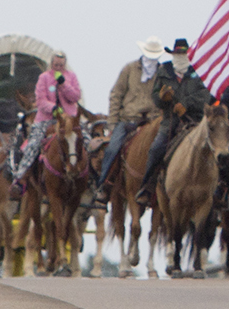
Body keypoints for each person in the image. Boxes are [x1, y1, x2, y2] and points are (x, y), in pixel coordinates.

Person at [139, 39, 211, 206]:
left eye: (183, 53)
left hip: (196, 121)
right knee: (156, 148)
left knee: (217, 147)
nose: (180, 56)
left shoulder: (198, 71)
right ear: (172, 54)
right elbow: (155, 97)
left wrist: (186, 104)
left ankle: (224, 188)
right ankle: (147, 187)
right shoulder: (164, 71)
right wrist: (162, 98)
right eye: (177, 53)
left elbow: (205, 95)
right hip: (170, 121)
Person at [98, 36, 164, 192]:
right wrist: (113, 123)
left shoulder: (163, 74)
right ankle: (104, 185)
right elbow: (116, 94)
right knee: (113, 148)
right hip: (129, 119)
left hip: (153, 122)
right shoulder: (129, 69)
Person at [14, 51, 83, 179]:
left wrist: (63, 84)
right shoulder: (44, 77)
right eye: (56, 65)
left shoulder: (71, 77)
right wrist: (54, 108)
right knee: (33, 145)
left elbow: (75, 97)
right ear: (51, 64)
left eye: (61, 65)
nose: (58, 68)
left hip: (68, 120)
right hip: (47, 120)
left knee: (85, 141)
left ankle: (90, 178)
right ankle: (20, 177)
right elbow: (40, 101)